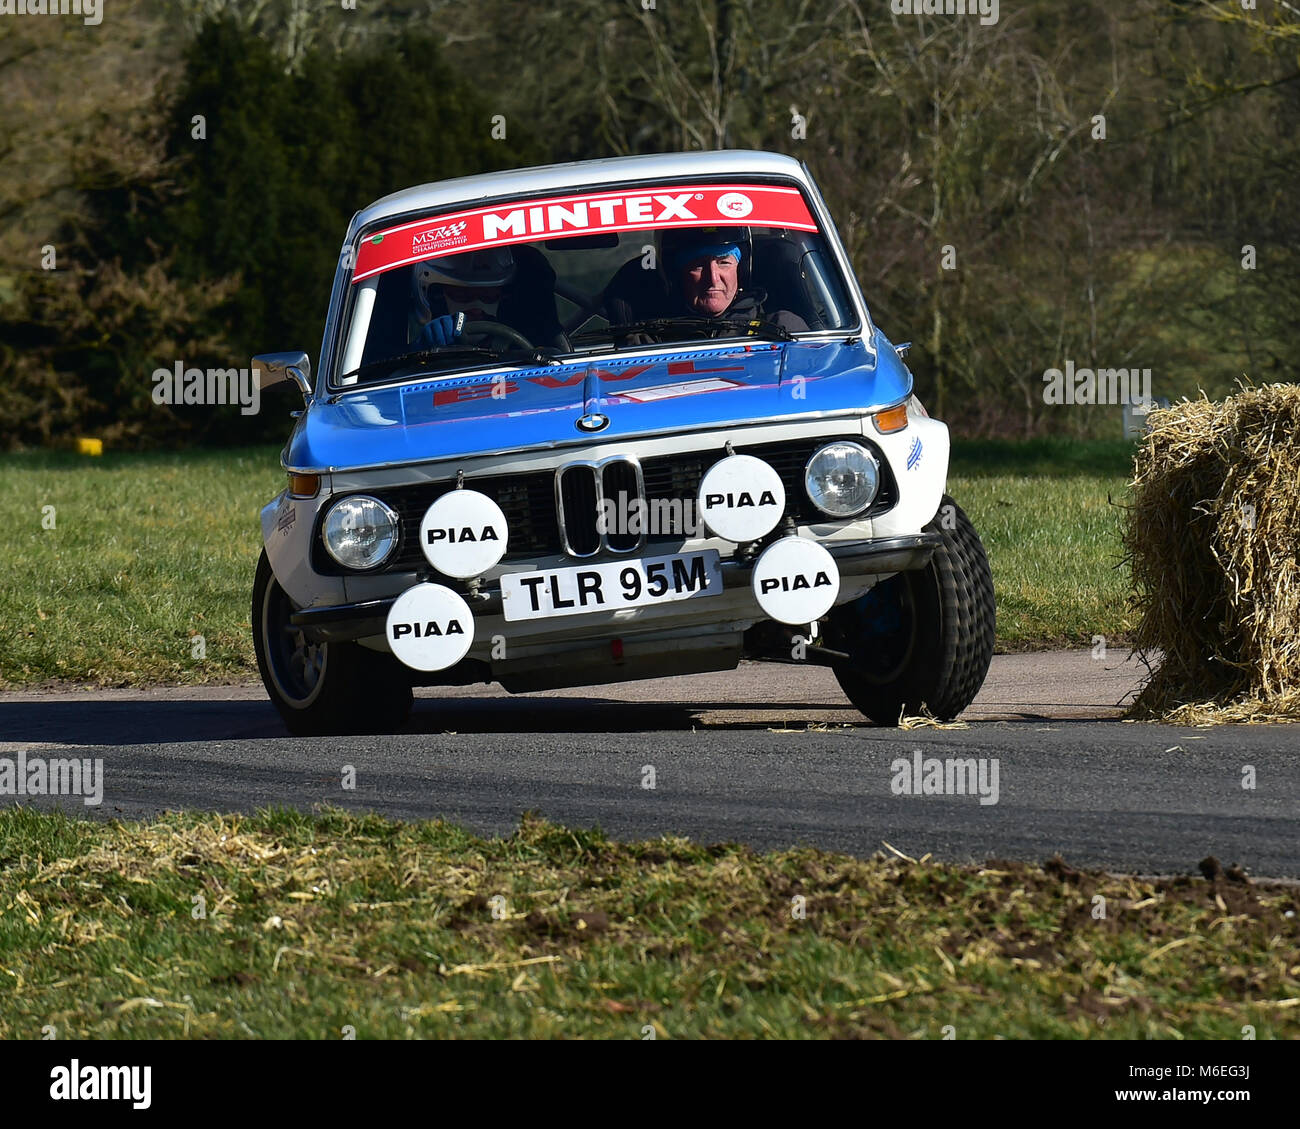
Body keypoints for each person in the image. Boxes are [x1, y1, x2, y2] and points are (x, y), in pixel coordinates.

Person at [660, 226, 809, 335]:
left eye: (724, 263)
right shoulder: (647, 341)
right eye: (698, 266)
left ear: (740, 271)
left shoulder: (781, 328)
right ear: (677, 276)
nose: (713, 278)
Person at [410, 246, 563, 349]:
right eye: (463, 295)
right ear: (438, 296)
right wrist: (420, 353)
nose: (476, 308)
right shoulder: (423, 349)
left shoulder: (537, 347)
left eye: (488, 295)